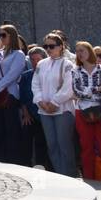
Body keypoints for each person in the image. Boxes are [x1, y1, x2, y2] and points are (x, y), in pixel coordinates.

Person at [33, 32, 77, 177]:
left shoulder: (67, 64)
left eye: (52, 46)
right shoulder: (41, 64)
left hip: (62, 110)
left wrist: (54, 102)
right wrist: (40, 101)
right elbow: (35, 84)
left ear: (60, 47)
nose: (48, 49)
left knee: (64, 144)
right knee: (52, 145)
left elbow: (68, 86)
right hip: (44, 110)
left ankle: (70, 174)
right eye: (46, 46)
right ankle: (59, 174)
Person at [0, 24, 27, 165]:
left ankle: (14, 162)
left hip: (9, 95)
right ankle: (0, 161)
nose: (1, 38)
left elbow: (12, 75)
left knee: (11, 130)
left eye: (4, 35)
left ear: (11, 36)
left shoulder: (19, 55)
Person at [73, 40, 101, 181]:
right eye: (77, 51)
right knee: (86, 146)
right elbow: (77, 91)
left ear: (90, 51)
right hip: (82, 111)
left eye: (82, 50)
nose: (79, 54)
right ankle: (89, 178)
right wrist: (97, 89)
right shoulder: (75, 70)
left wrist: (90, 91)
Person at [19, 45, 49, 169]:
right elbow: (23, 97)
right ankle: (26, 164)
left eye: (38, 59)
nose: (35, 62)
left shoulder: (48, 74)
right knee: (26, 137)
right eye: (32, 60)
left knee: (41, 141)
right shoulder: (26, 76)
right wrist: (25, 113)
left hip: (45, 113)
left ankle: (43, 165)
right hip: (30, 113)